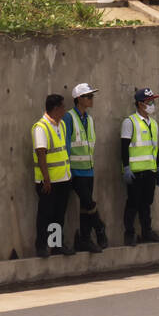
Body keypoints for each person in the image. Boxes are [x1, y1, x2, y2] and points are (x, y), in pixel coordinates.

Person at [63, 82, 108, 253]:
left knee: (85, 206)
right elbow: (67, 143)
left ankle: (85, 239)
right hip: (75, 169)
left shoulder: (89, 119)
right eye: (88, 96)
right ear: (78, 99)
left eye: (92, 96)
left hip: (89, 169)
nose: (92, 99)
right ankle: (100, 228)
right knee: (89, 203)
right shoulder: (69, 117)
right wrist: (69, 169)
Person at [121, 87, 159, 246]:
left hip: (150, 171)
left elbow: (155, 147)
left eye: (153, 101)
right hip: (135, 172)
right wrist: (126, 168)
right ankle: (129, 234)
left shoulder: (153, 123)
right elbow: (124, 147)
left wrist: (158, 168)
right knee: (133, 203)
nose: (152, 104)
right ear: (140, 104)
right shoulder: (130, 122)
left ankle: (146, 232)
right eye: (149, 101)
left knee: (147, 203)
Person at [33, 94, 76, 257]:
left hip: (63, 178)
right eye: (63, 107)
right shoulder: (41, 127)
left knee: (59, 214)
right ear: (56, 108)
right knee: (45, 214)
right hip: (48, 181)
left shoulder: (61, 125)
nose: (65, 110)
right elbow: (41, 154)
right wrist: (46, 179)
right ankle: (41, 246)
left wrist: (67, 173)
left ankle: (56, 245)